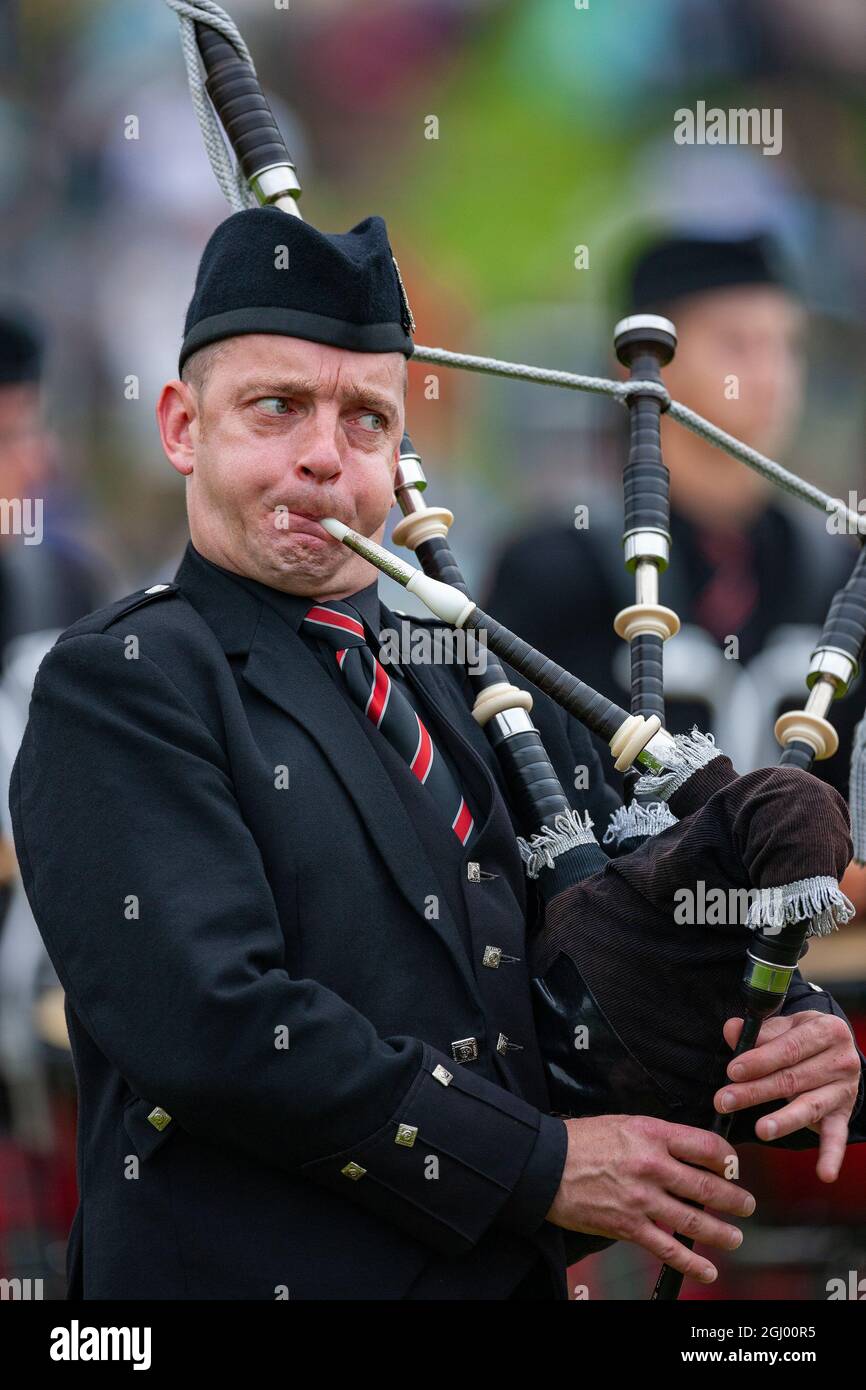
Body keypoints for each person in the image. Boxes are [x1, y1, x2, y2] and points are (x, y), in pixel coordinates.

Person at [9, 209, 864, 1301]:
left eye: (365, 420)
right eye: (277, 407)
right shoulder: (125, 679)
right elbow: (219, 1026)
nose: (323, 453)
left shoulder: (466, 672)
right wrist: (542, 1166)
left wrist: (791, 1021)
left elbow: (629, 919)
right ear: (182, 426)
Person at [483, 232, 861, 798]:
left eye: (786, 346)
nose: (771, 377)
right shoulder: (554, 569)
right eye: (736, 345)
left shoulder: (840, 574)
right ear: (640, 369)